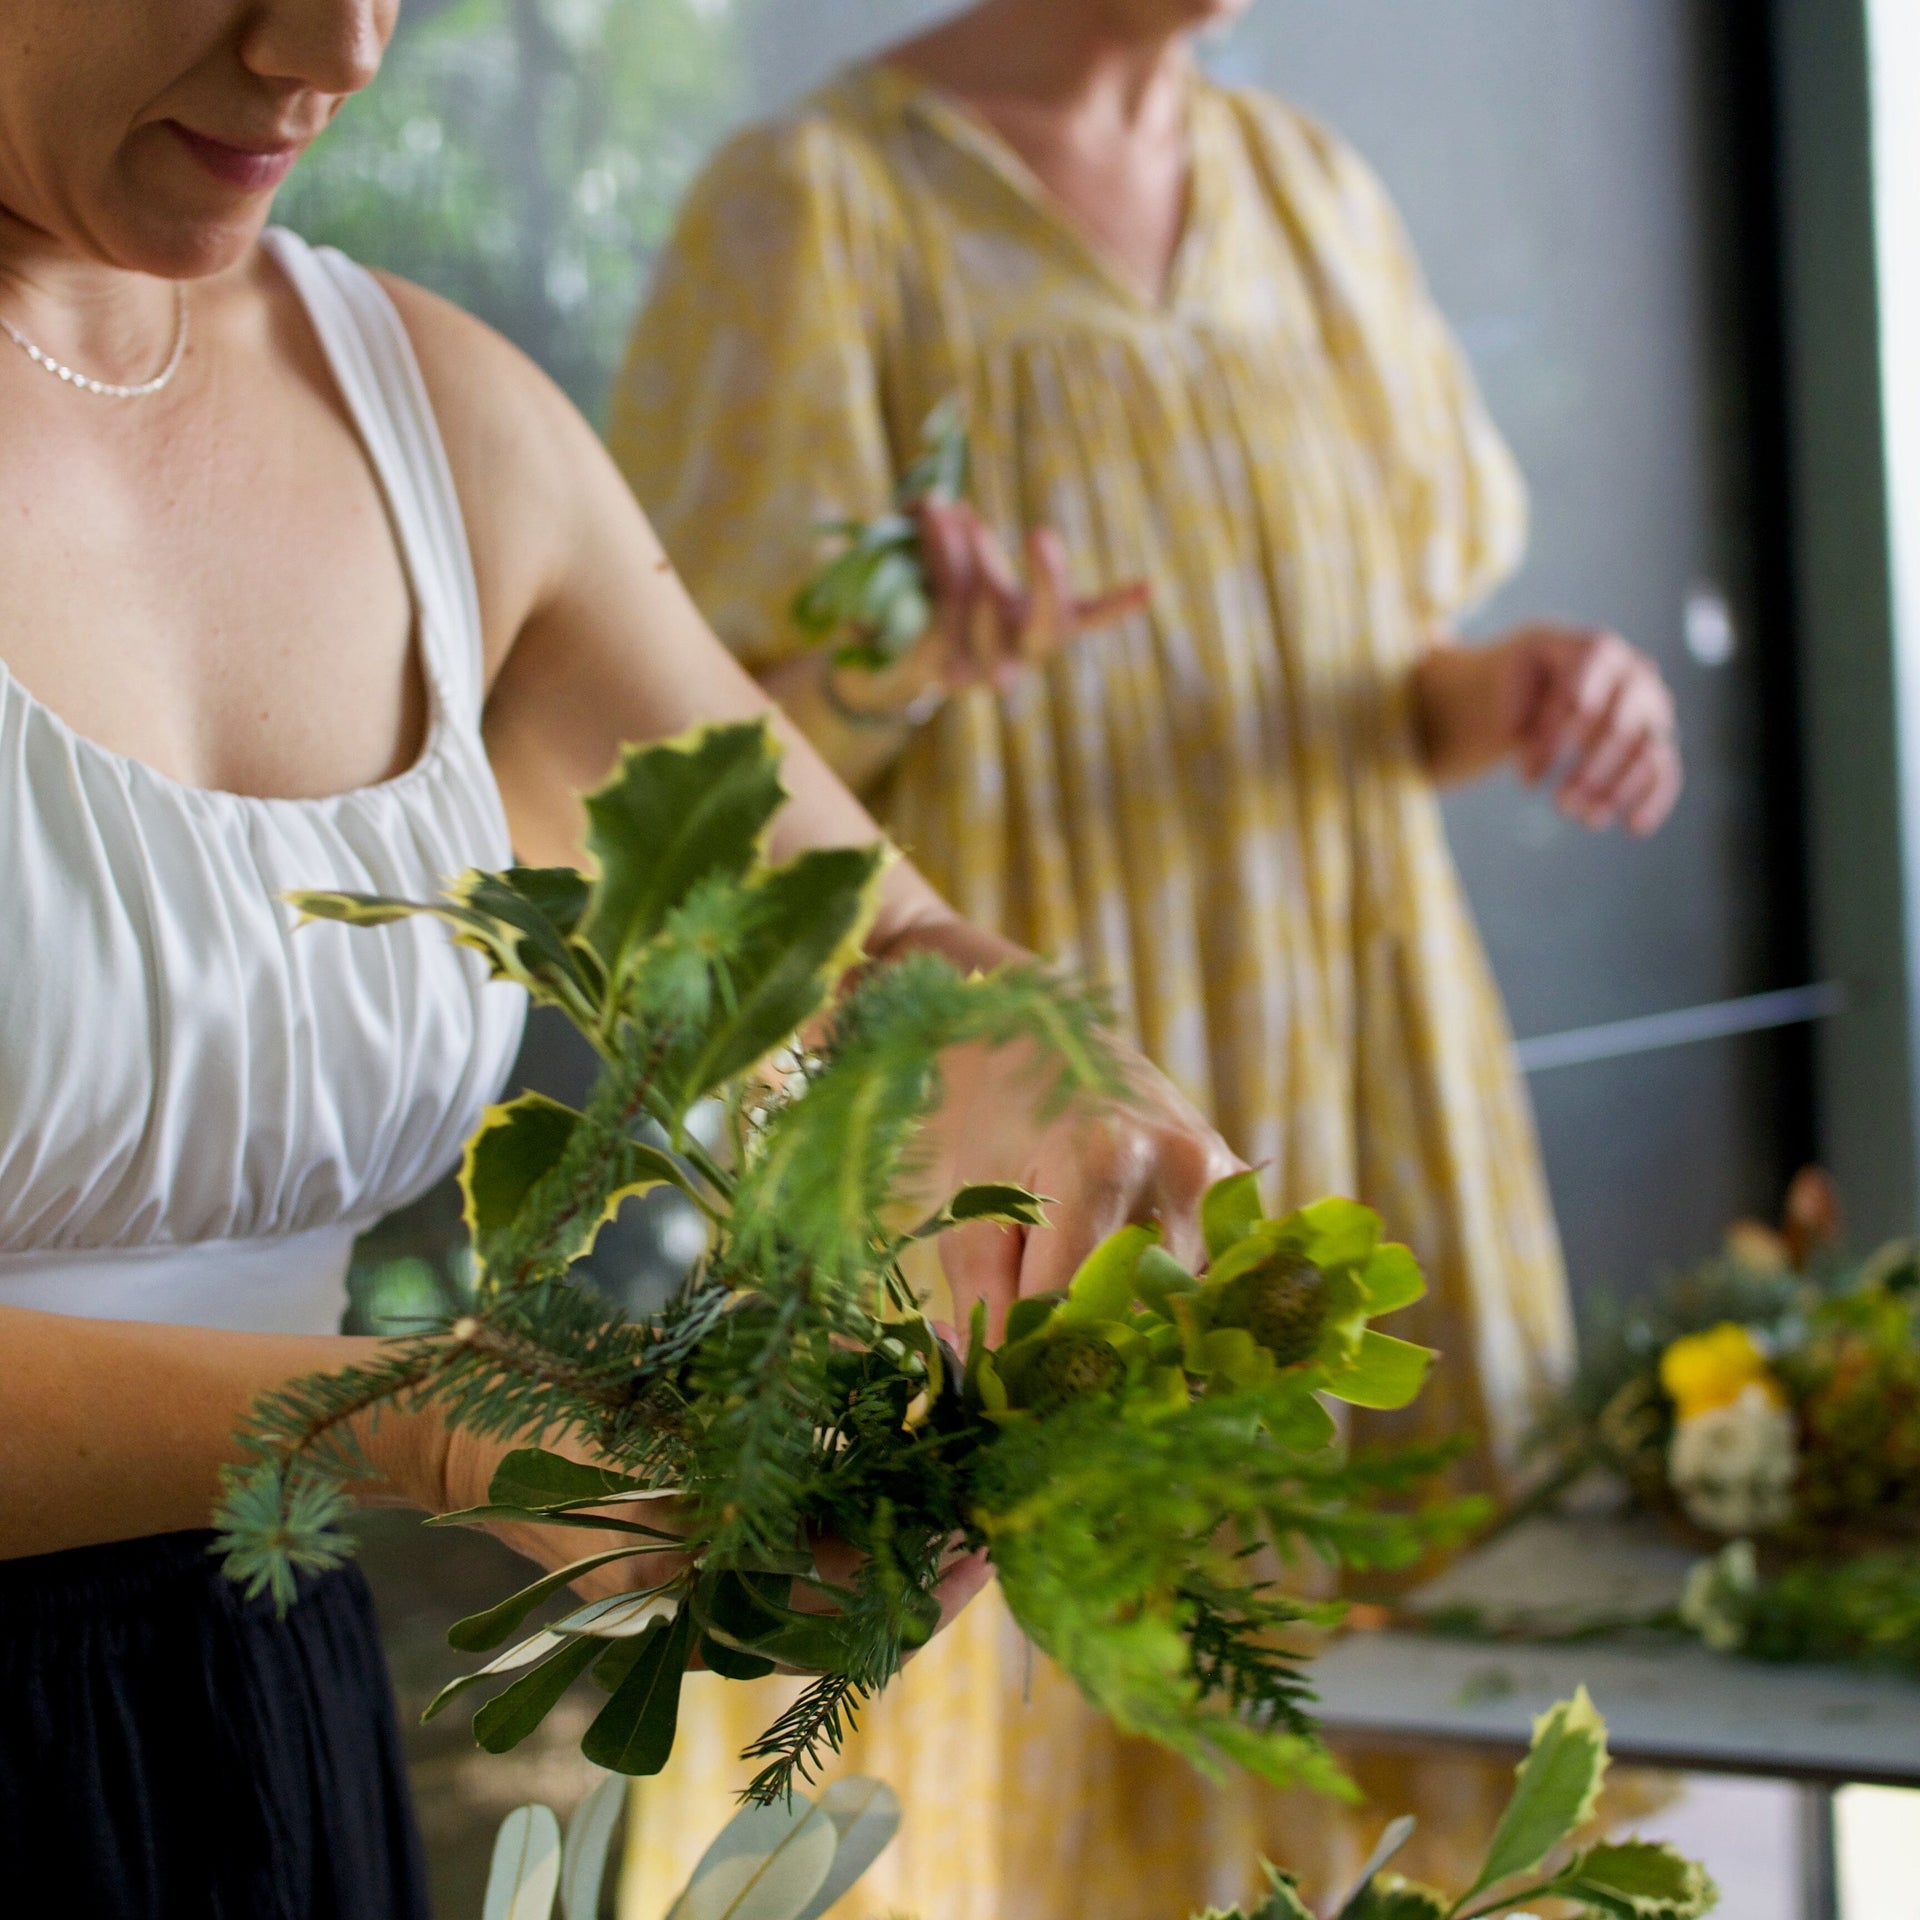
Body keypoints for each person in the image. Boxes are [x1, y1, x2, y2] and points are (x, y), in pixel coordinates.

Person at [0, 3, 1238, 1911]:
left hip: (253, 1707)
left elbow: (856, 936)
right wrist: (416, 1422)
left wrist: (1011, 1072)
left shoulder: (421, 409)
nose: (338, 45)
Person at [607, 0, 1683, 1911]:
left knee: (1413, 1738)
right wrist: (895, 658)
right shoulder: (817, 208)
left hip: (1359, 1074)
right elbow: (669, 765)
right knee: (1044, 1755)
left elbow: (1380, 682)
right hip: (1019, 1130)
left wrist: (1513, 694)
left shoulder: (1309, 188)